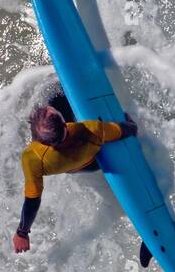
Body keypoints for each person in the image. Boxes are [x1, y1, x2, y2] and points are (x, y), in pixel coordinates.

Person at [12, 92, 137, 253]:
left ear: (40, 141)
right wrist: (129, 121)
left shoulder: (33, 158)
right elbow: (126, 130)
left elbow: (32, 201)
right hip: (94, 163)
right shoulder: (91, 130)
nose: (47, 108)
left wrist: (22, 232)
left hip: (75, 168)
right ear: (65, 122)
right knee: (59, 98)